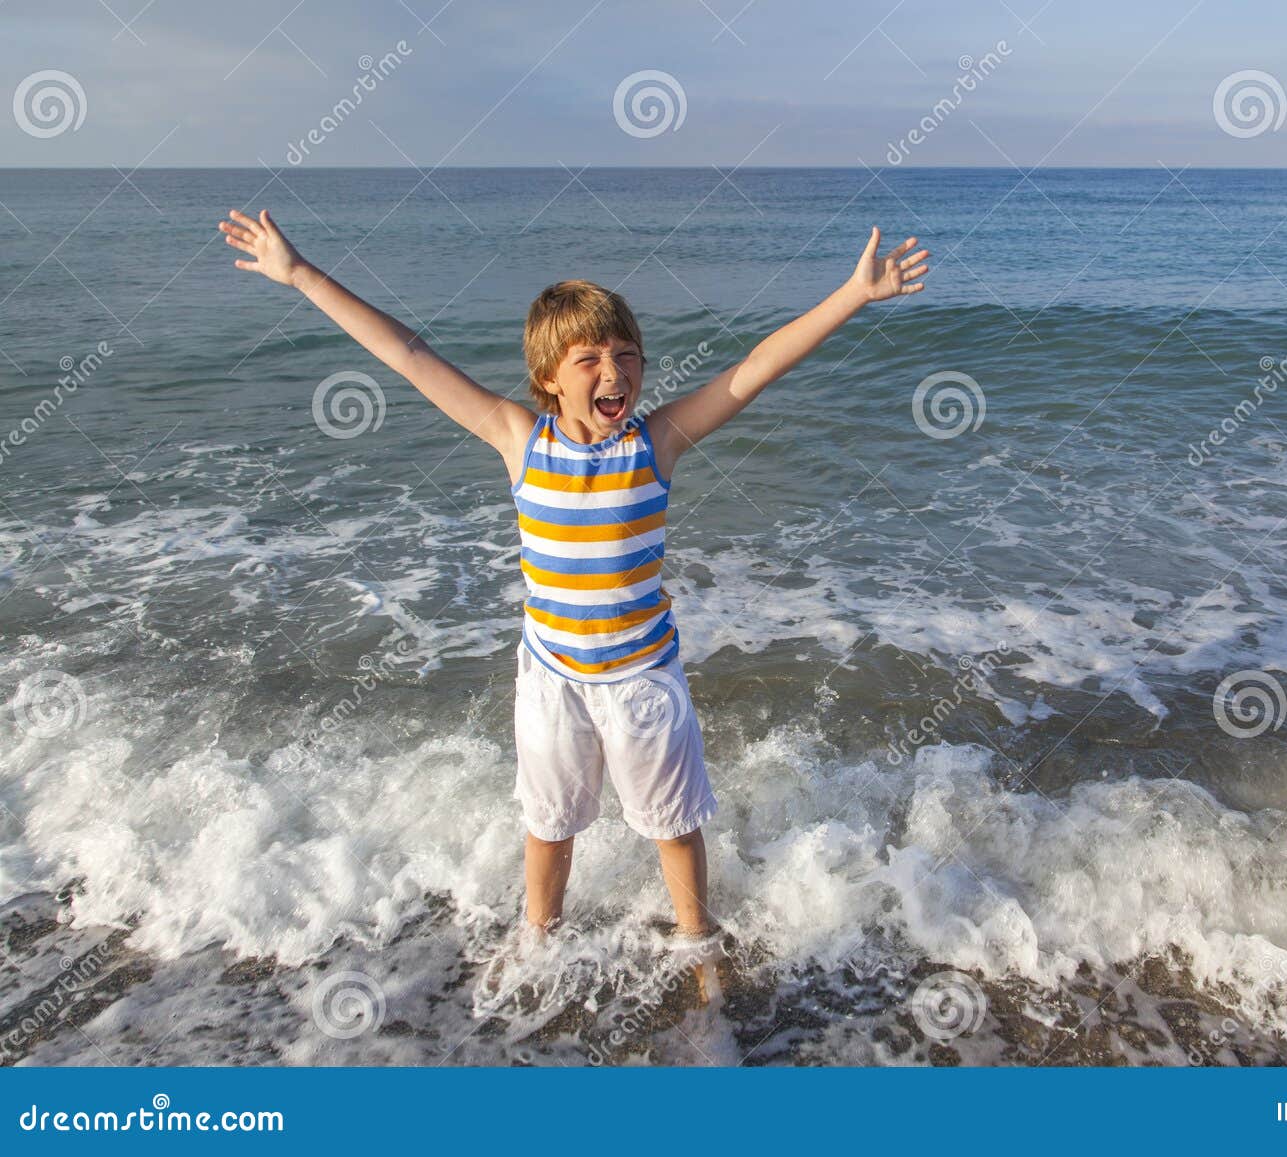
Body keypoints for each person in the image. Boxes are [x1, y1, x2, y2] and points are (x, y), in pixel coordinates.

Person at [217, 206, 930, 944]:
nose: (613, 370)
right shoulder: (517, 438)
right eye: (588, 359)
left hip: (643, 677)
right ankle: (537, 940)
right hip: (551, 673)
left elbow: (753, 370)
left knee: (673, 826)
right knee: (548, 825)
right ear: (549, 380)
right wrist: (299, 272)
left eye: (626, 354)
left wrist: (853, 295)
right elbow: (408, 354)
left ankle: (696, 942)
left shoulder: (658, 442)